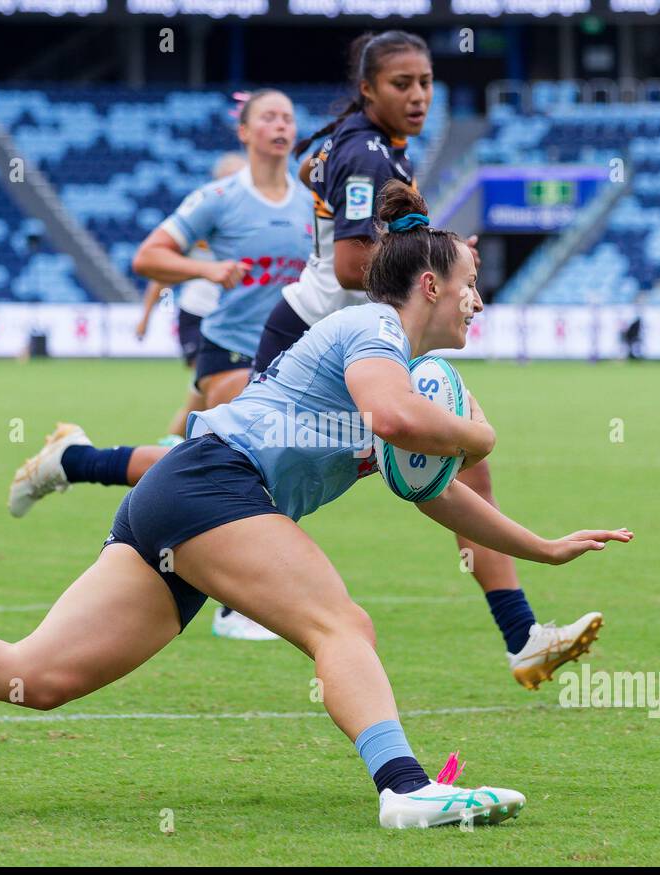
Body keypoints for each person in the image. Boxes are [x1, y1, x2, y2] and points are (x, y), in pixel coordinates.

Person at [0, 183, 632, 829]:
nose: (482, 301)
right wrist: (481, 438)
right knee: (343, 627)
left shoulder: (405, 366)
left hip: (182, 495)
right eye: (474, 282)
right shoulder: (374, 334)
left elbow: (431, 492)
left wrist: (542, 548)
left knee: (42, 675)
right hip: (214, 484)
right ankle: (407, 791)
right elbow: (403, 422)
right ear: (432, 286)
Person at [252, 29, 606, 686]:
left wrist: (434, 252)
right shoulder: (367, 155)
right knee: (241, 471)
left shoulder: (375, 149)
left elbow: (316, 176)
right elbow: (357, 263)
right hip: (320, 343)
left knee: (461, 471)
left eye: (425, 83)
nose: (418, 97)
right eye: (401, 84)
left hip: (365, 348)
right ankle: (81, 463)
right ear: (368, 89)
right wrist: (426, 261)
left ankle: (523, 635)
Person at [9, 92, 310, 641]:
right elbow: (148, 257)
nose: (280, 125)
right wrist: (209, 268)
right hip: (231, 352)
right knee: (255, 461)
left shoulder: (310, 203)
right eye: (268, 116)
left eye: (289, 117)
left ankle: (74, 460)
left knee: (205, 466)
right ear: (243, 131)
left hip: (288, 360)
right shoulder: (218, 198)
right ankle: (234, 606)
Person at [133, 152, 247, 445]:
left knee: (205, 391)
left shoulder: (251, 221)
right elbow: (159, 270)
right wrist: (145, 316)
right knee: (217, 389)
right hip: (197, 314)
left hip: (237, 317)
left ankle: (171, 450)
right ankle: (194, 453)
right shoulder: (199, 220)